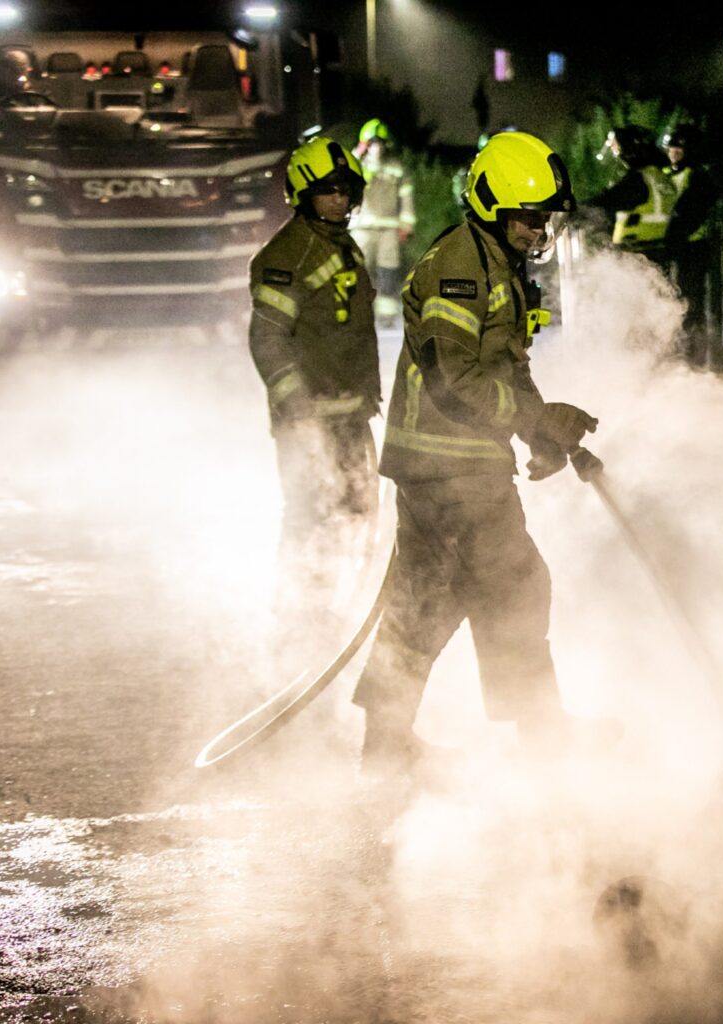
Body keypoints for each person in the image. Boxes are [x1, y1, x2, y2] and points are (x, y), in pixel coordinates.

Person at [352, 131, 605, 775]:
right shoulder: (462, 265)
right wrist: (532, 418)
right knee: (517, 584)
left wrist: (540, 432)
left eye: (543, 217)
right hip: (451, 464)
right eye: (527, 217)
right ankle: (544, 740)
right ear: (492, 203)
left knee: (424, 600)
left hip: (445, 464)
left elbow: (507, 370)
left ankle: (384, 744)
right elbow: (453, 379)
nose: (537, 229)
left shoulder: (496, 262)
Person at [247, 136, 380, 645]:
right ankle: (295, 626)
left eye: (347, 190)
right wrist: (298, 412)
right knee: (309, 520)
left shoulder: (340, 244)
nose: (341, 200)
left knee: (352, 515)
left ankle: (329, 617)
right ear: (304, 193)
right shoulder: (285, 255)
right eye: (329, 191)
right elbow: (267, 338)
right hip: (309, 423)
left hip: (349, 417)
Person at [660, 124, 720, 363]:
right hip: (668, 245)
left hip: (692, 248)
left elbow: (696, 210)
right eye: (671, 147)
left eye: (679, 148)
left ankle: (693, 356)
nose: (673, 151)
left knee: (691, 303)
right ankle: (675, 352)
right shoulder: (663, 174)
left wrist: (680, 230)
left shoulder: (697, 176)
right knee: (668, 300)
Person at [351, 118, 416, 326]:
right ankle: (358, 314)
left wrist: (407, 224)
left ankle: (386, 316)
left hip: (389, 230)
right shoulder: (357, 166)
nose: (377, 147)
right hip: (361, 229)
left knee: (388, 272)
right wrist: (356, 154)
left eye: (380, 143)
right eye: (372, 143)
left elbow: (406, 198)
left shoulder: (396, 167)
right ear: (365, 144)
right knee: (359, 272)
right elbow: (345, 175)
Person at [587, 125, 674, 254]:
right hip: (659, 246)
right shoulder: (660, 177)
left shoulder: (639, 179)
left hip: (638, 249)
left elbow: (606, 201)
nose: (619, 156)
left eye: (619, 150)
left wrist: (571, 210)